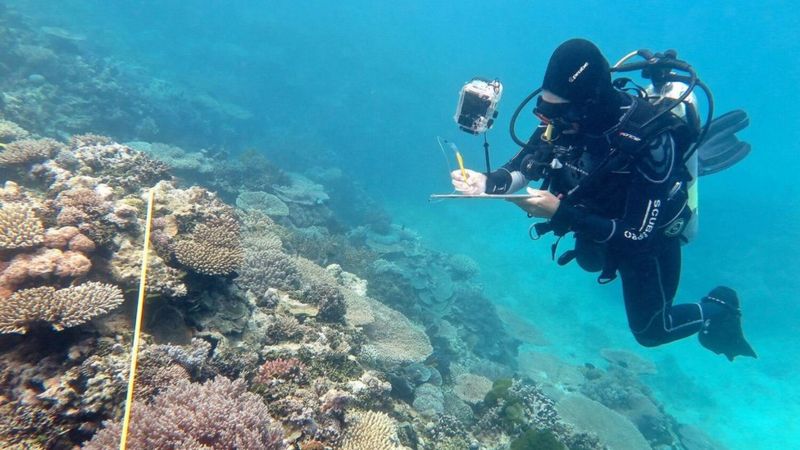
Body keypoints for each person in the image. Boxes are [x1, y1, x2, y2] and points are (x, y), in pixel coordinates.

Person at [451, 38, 756, 361]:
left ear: (589, 103)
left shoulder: (650, 141)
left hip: (651, 235)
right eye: (545, 113)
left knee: (653, 331)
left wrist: (560, 212)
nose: (550, 125)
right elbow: (525, 164)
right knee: (590, 260)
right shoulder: (563, 121)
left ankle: (719, 308)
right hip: (596, 218)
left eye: (560, 114)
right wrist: (487, 182)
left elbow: (637, 235)